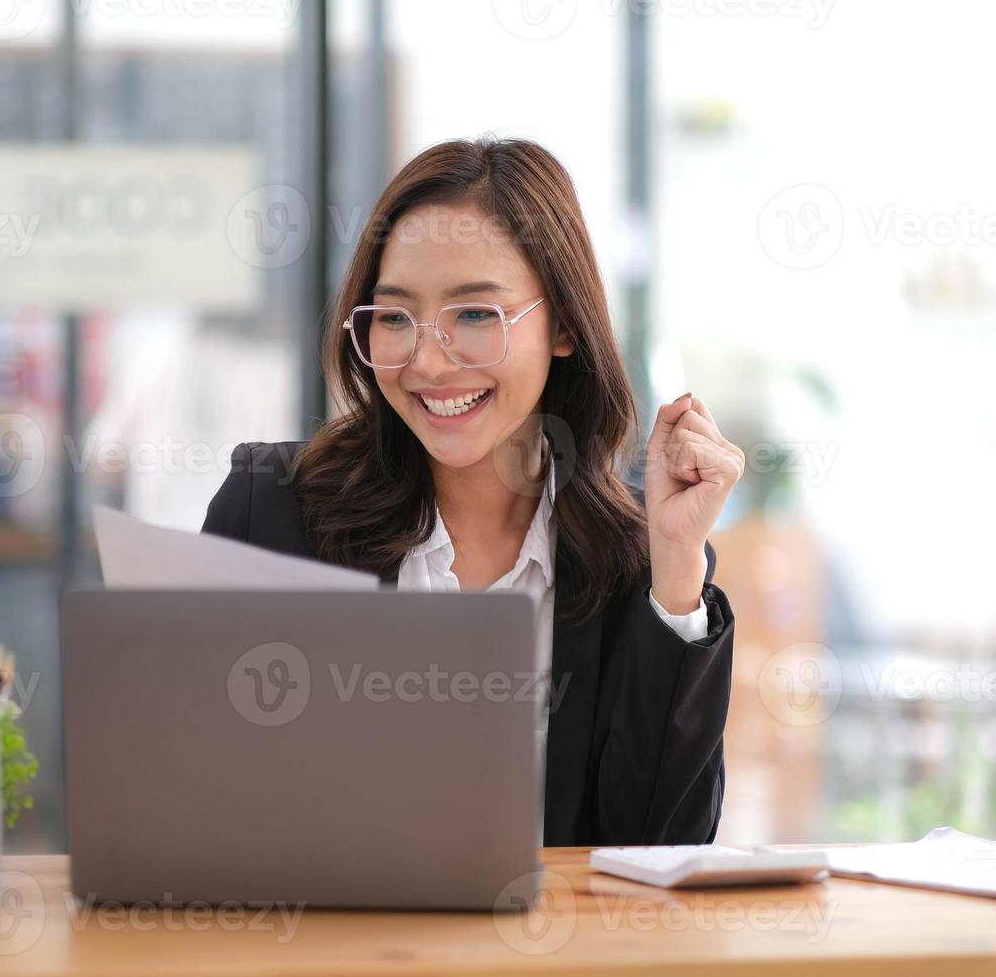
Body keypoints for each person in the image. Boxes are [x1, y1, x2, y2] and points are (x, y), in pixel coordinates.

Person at [204, 137, 742, 846]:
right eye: (394, 317)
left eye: (476, 315)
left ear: (566, 327)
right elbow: (196, 802)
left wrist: (675, 571)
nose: (429, 360)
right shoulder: (269, 510)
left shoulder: (636, 556)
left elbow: (659, 853)